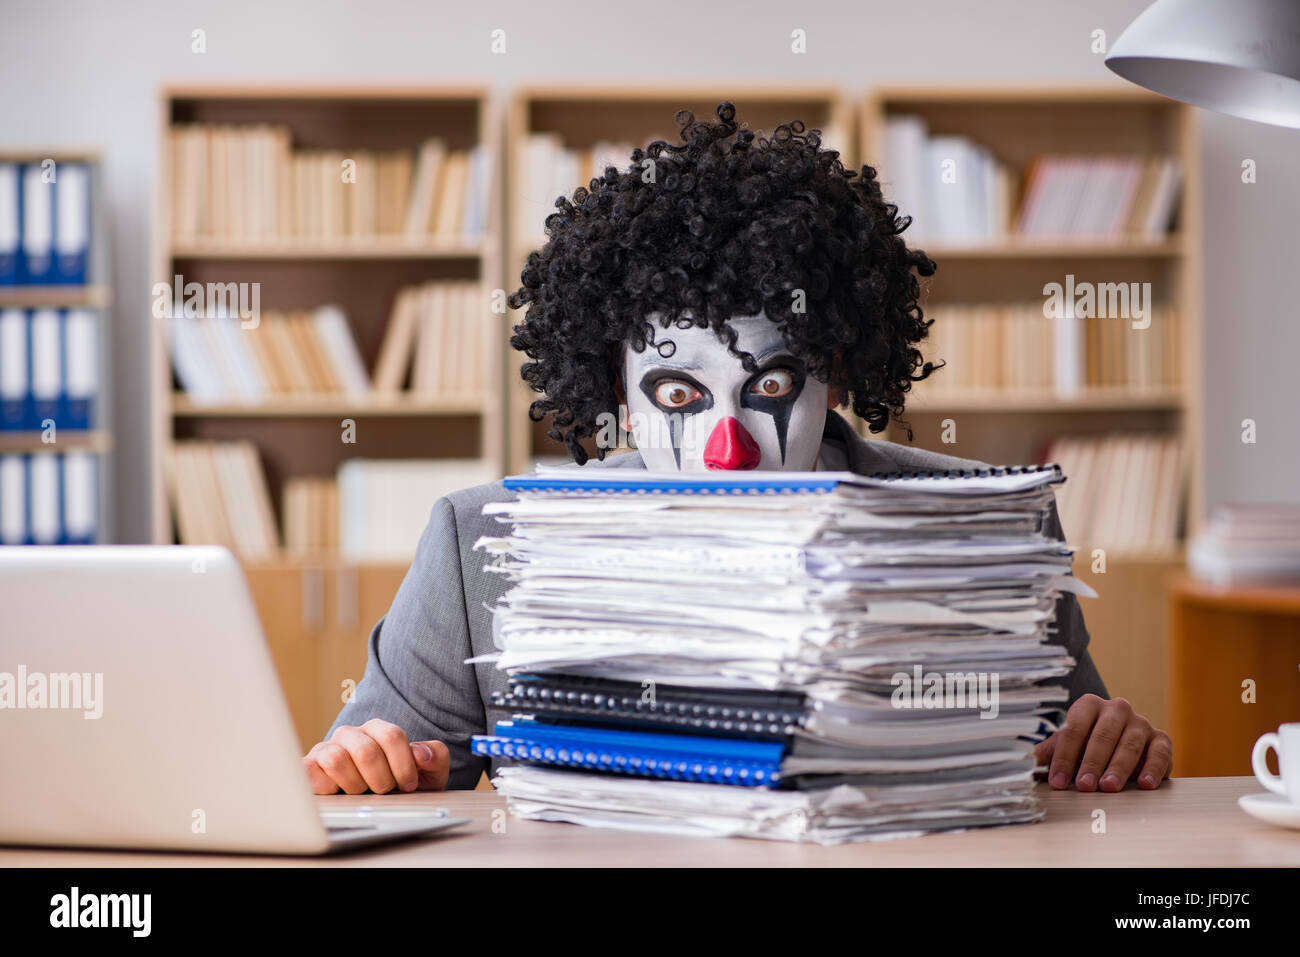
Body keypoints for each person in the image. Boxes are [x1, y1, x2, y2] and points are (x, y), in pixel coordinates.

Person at [303, 102, 1172, 798]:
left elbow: (1070, 751)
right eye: (680, 394)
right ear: (619, 395)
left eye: (766, 388)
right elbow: (385, 767)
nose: (727, 450)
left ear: (832, 369)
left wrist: (1110, 740)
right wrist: (365, 763)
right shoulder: (479, 547)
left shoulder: (988, 528)